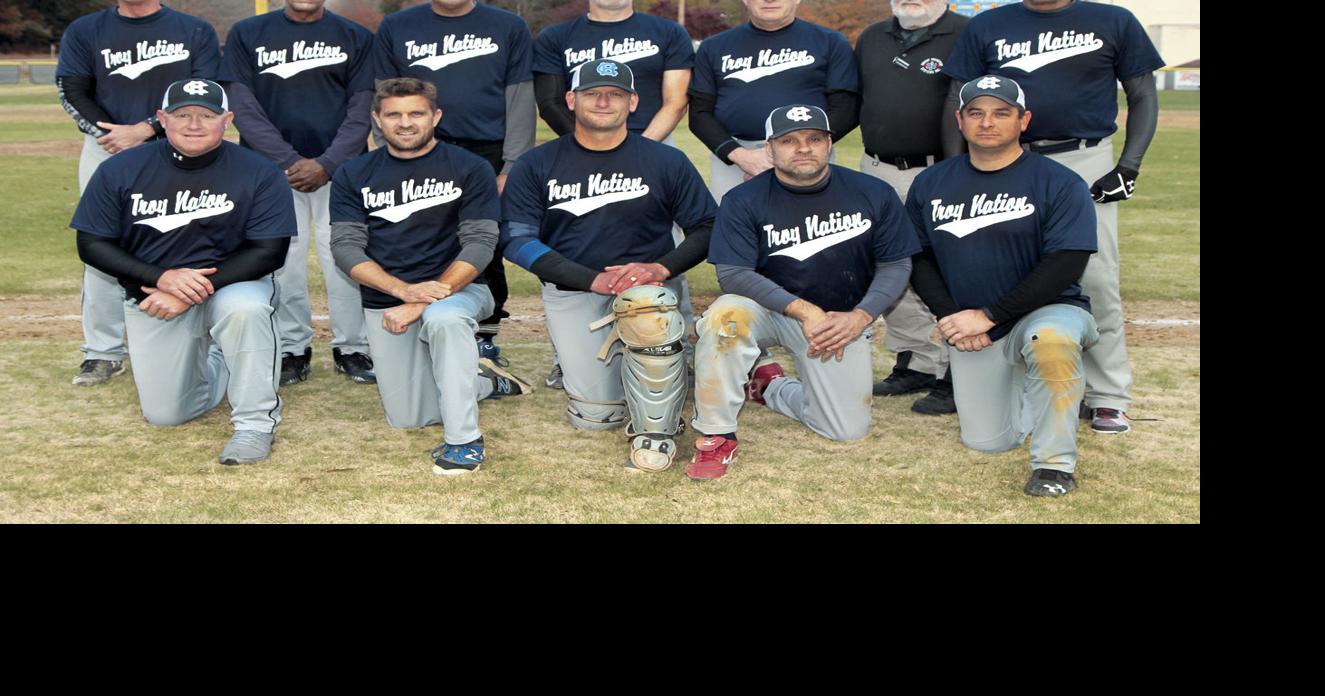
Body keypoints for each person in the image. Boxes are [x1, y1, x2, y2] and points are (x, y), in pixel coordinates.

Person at [942, 0, 1165, 434]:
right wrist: (959, 170)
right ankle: (1016, 379)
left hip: (1084, 158)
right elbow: (957, 97)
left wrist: (1129, 165)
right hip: (1002, 160)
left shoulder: (1112, 20)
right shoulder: (990, 23)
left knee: (1095, 276)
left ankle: (1107, 395)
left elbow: (1142, 93)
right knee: (1000, 270)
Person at [501, 59, 717, 472]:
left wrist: (660, 268)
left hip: (650, 293)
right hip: (576, 290)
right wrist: (592, 279)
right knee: (598, 418)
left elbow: (708, 227)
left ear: (633, 102)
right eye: (591, 93)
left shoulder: (664, 161)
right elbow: (516, 240)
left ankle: (660, 408)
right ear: (570, 100)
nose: (603, 101)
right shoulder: (537, 163)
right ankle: (602, 362)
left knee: (649, 309)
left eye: (615, 93)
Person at [687, 104, 918, 481]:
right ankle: (716, 434)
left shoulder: (872, 191)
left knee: (845, 429)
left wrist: (860, 316)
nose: (803, 148)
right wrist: (805, 311)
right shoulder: (743, 199)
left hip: (837, 319)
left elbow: (896, 265)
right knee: (725, 316)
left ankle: (770, 385)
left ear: (829, 144)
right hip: (767, 307)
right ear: (770, 148)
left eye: (814, 138)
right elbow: (733, 274)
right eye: (789, 140)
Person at [71, 79, 295, 465]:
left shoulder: (260, 171)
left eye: (207, 115)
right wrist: (161, 278)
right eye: (182, 114)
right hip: (155, 294)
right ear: (162, 119)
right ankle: (222, 362)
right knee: (166, 414)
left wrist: (188, 287)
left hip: (232, 284)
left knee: (247, 309)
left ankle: (254, 425)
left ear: (227, 121)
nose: (194, 124)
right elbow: (92, 244)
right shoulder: (120, 169)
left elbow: (269, 252)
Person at [907, 75, 1099, 496]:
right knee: (987, 442)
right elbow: (917, 256)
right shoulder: (931, 182)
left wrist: (989, 316)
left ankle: (1054, 466)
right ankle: (1048, 393)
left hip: (1049, 309)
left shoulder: (1059, 181)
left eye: (1001, 113)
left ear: (1023, 120)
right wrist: (952, 317)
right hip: (973, 326)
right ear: (960, 120)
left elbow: (1067, 262)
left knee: (1050, 341)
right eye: (976, 113)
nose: (987, 122)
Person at [329, 78, 532, 475]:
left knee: (444, 317)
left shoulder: (469, 167)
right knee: (408, 417)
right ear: (377, 120)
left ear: (435, 116)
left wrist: (421, 301)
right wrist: (402, 291)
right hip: (388, 300)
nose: (406, 123)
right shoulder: (354, 173)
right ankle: (486, 382)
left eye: (416, 113)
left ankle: (464, 443)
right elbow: (346, 249)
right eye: (394, 114)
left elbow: (479, 243)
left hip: (464, 290)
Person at [532, 0, 697, 391]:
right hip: (579, 147)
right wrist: (587, 144)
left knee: (663, 247)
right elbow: (551, 100)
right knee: (575, 237)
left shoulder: (667, 32)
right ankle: (567, 355)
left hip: (649, 143)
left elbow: (675, 99)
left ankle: (676, 348)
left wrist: (636, 149)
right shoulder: (558, 36)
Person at [55, 0, 220, 386]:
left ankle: (208, 340)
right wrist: (113, 135)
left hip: (182, 147)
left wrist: (146, 129)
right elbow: (72, 89)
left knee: (195, 239)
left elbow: (208, 89)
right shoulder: (86, 30)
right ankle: (103, 352)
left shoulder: (194, 29)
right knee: (102, 247)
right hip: (107, 148)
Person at [219, 0, 376, 387]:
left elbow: (362, 109)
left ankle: (353, 346)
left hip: (342, 169)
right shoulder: (247, 33)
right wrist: (288, 160)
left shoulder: (354, 35)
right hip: (271, 171)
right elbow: (243, 107)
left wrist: (329, 163)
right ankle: (291, 348)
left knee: (344, 255)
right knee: (282, 260)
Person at [373, 0, 536, 366]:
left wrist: (512, 165)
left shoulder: (507, 25)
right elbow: (384, 95)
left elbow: (520, 96)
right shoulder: (397, 26)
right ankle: (414, 324)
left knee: (485, 245)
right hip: (418, 149)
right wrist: (390, 155)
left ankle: (485, 336)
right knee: (415, 236)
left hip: (487, 151)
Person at [855, 0, 968, 415]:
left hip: (942, 169)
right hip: (876, 168)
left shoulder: (965, 32)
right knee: (889, 263)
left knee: (949, 269)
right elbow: (855, 102)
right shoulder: (872, 37)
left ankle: (961, 371)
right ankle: (916, 362)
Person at [688, 0, 860, 203]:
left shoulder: (830, 41)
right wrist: (740, 156)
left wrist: (790, 150)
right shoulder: (713, 47)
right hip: (736, 159)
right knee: (735, 229)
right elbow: (699, 114)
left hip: (807, 156)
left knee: (806, 229)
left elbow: (847, 109)